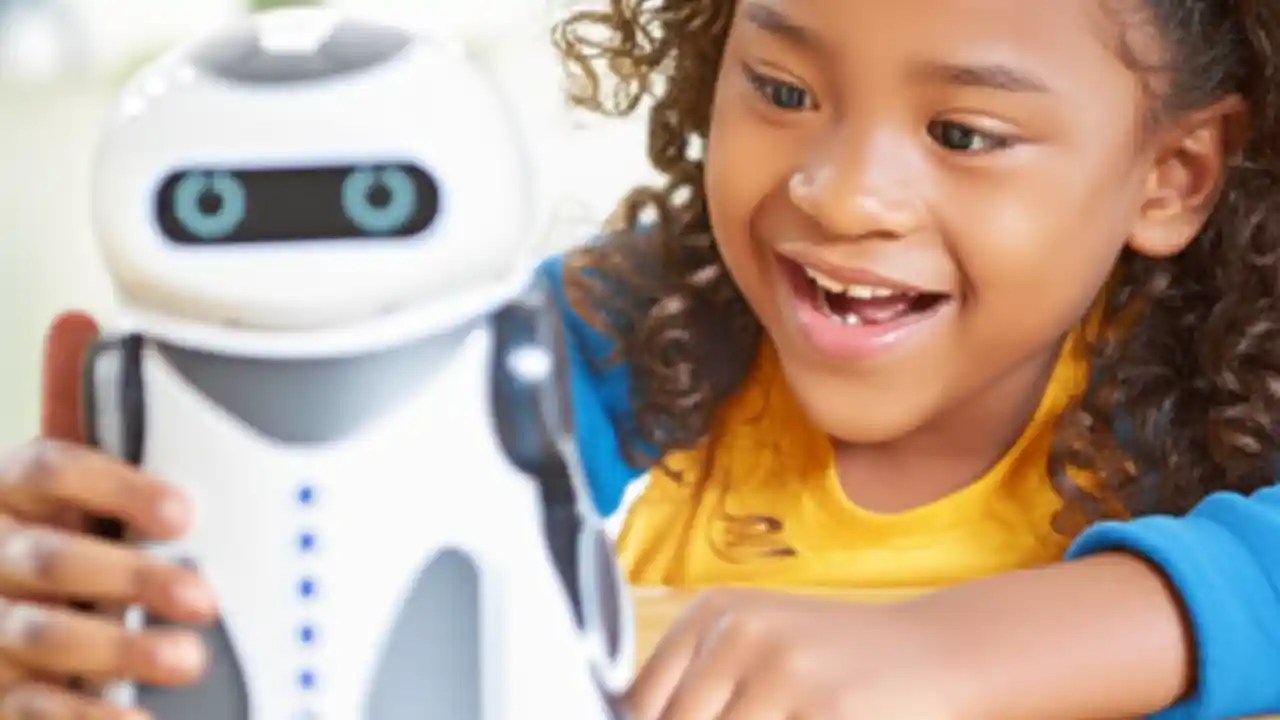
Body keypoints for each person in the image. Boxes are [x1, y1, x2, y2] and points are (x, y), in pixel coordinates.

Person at [0, 0, 1276, 718]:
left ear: (1170, 176)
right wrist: (124, 606)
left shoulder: (1230, 398)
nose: (838, 192)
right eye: (780, 91)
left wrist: (956, 651)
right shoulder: (629, 330)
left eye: (961, 130)